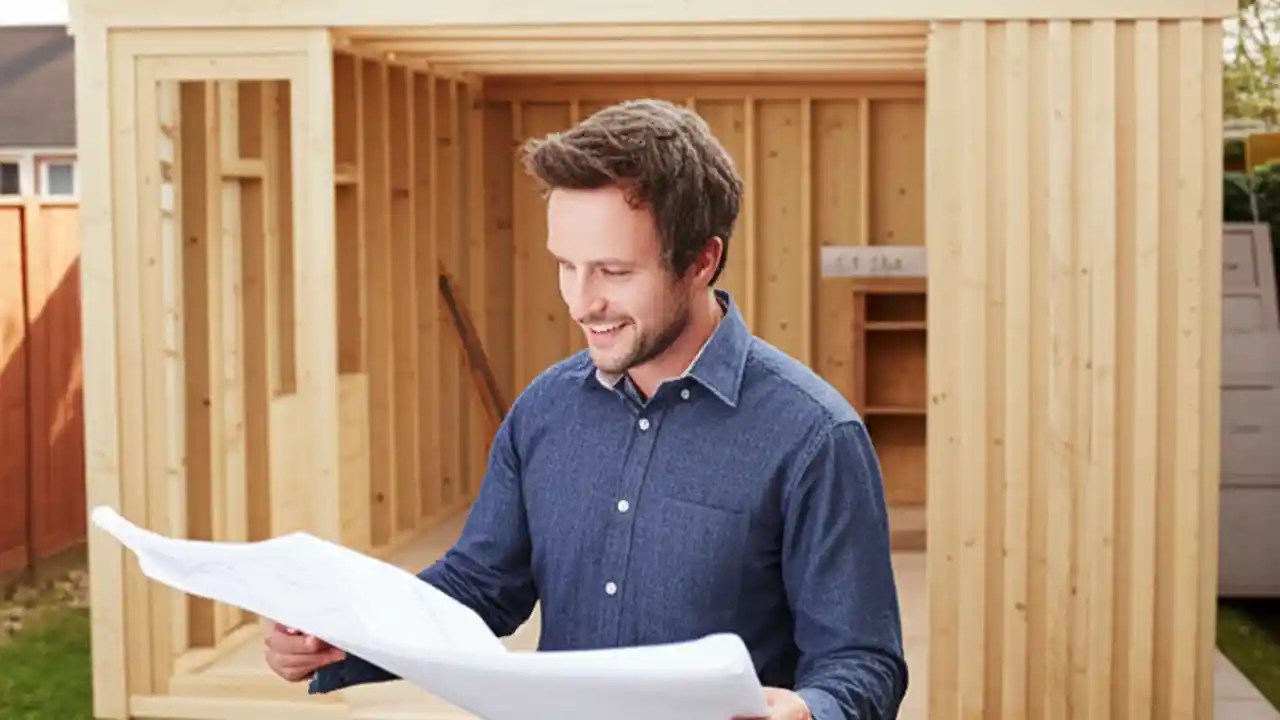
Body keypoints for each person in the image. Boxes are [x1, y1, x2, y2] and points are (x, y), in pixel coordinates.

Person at [264, 98, 908, 719]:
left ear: (701, 261)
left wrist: (810, 710)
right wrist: (346, 634)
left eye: (614, 272)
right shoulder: (544, 411)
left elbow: (861, 661)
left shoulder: (812, 436)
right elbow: (482, 587)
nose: (580, 301)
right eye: (566, 267)